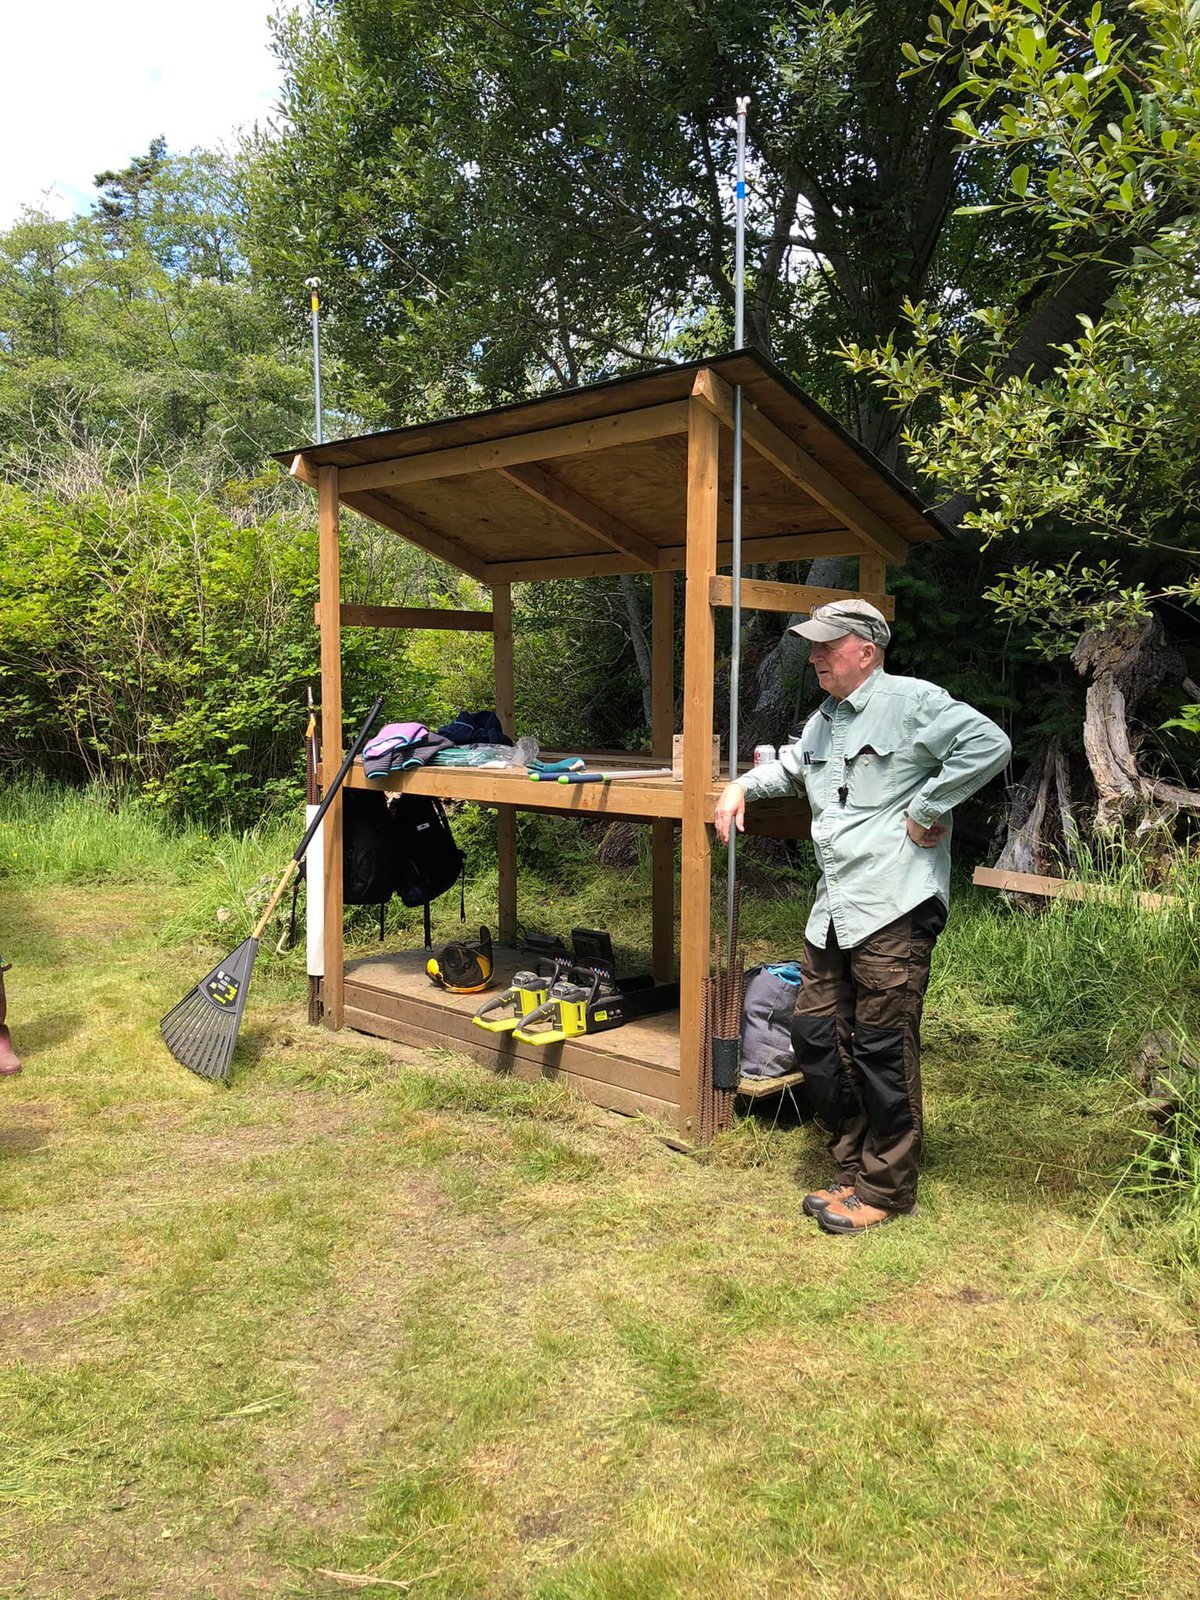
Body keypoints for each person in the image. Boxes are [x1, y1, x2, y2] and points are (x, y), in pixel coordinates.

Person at [714, 600, 1010, 1236]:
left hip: (893, 904)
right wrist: (740, 786)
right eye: (814, 647)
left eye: (829, 646)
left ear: (866, 652)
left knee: (881, 1049)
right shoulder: (826, 720)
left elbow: (989, 743)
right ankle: (850, 1165)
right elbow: (792, 767)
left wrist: (930, 805)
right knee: (817, 1036)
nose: (816, 656)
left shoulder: (912, 701)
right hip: (835, 911)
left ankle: (886, 1187)